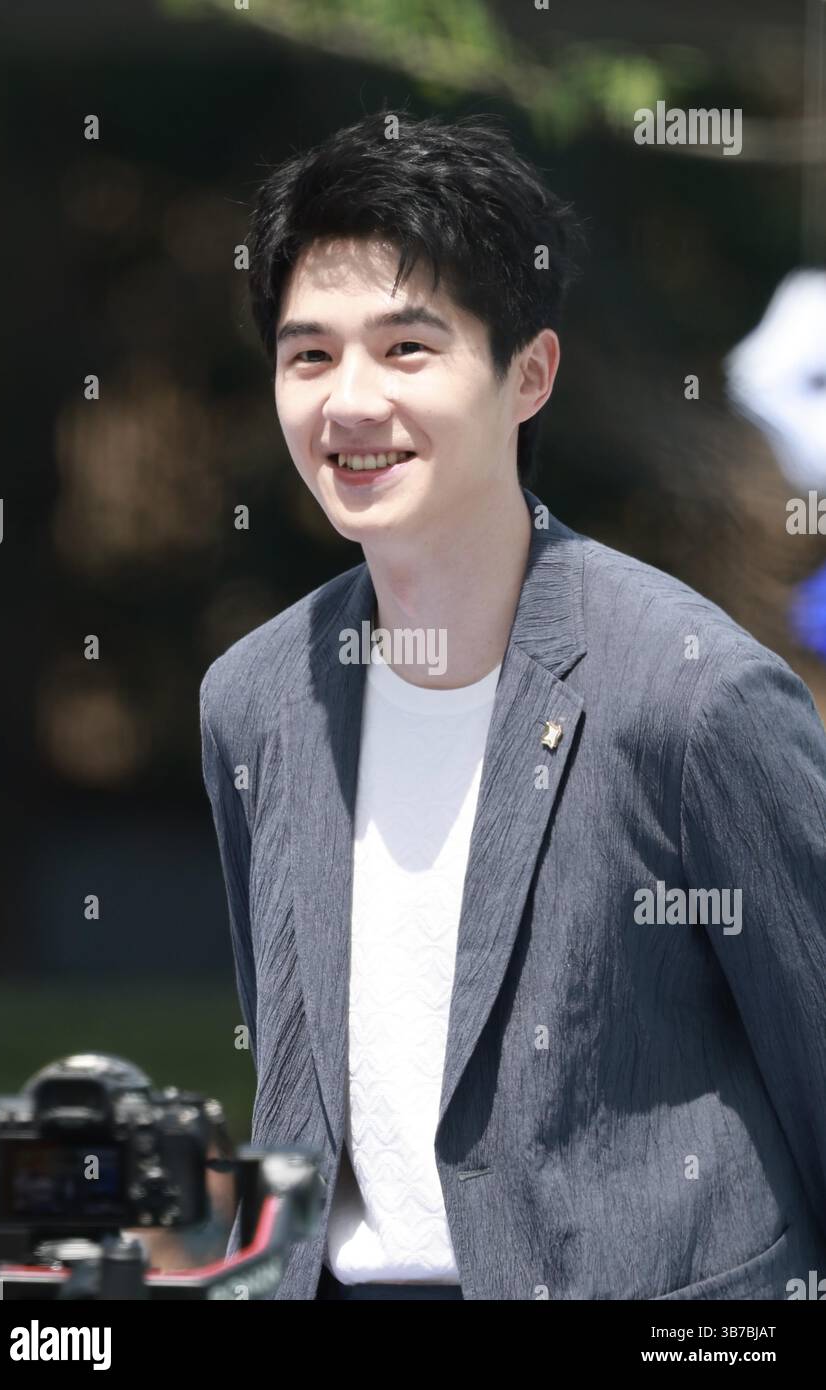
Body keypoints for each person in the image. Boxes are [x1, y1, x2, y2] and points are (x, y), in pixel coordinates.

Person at [199, 112, 826, 1300]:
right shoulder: (254, 699)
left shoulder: (691, 698)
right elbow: (297, 1092)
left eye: (407, 348)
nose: (350, 402)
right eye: (308, 355)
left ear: (527, 373)